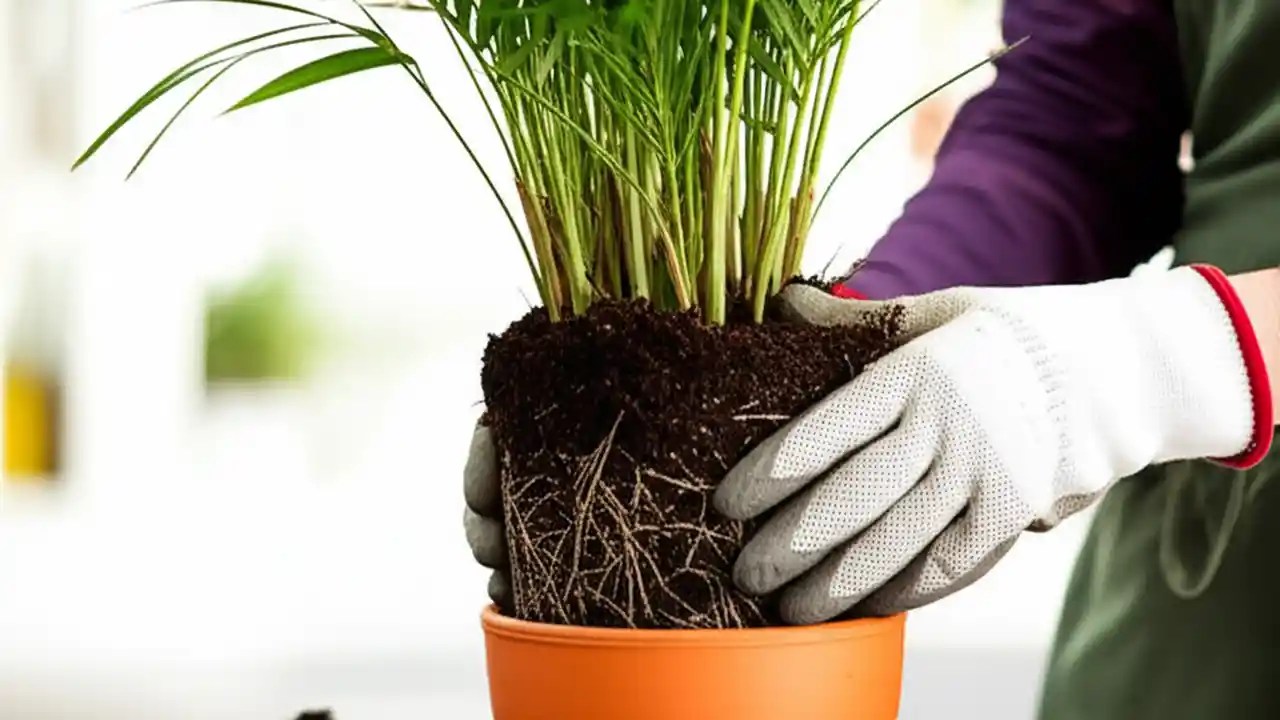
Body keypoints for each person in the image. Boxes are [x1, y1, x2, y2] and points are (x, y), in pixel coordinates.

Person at [464, 0, 1280, 716]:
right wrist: (847, 340)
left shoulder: (1143, 373)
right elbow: (1079, 120)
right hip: (1193, 596)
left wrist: (1166, 363)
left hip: (1192, 422)